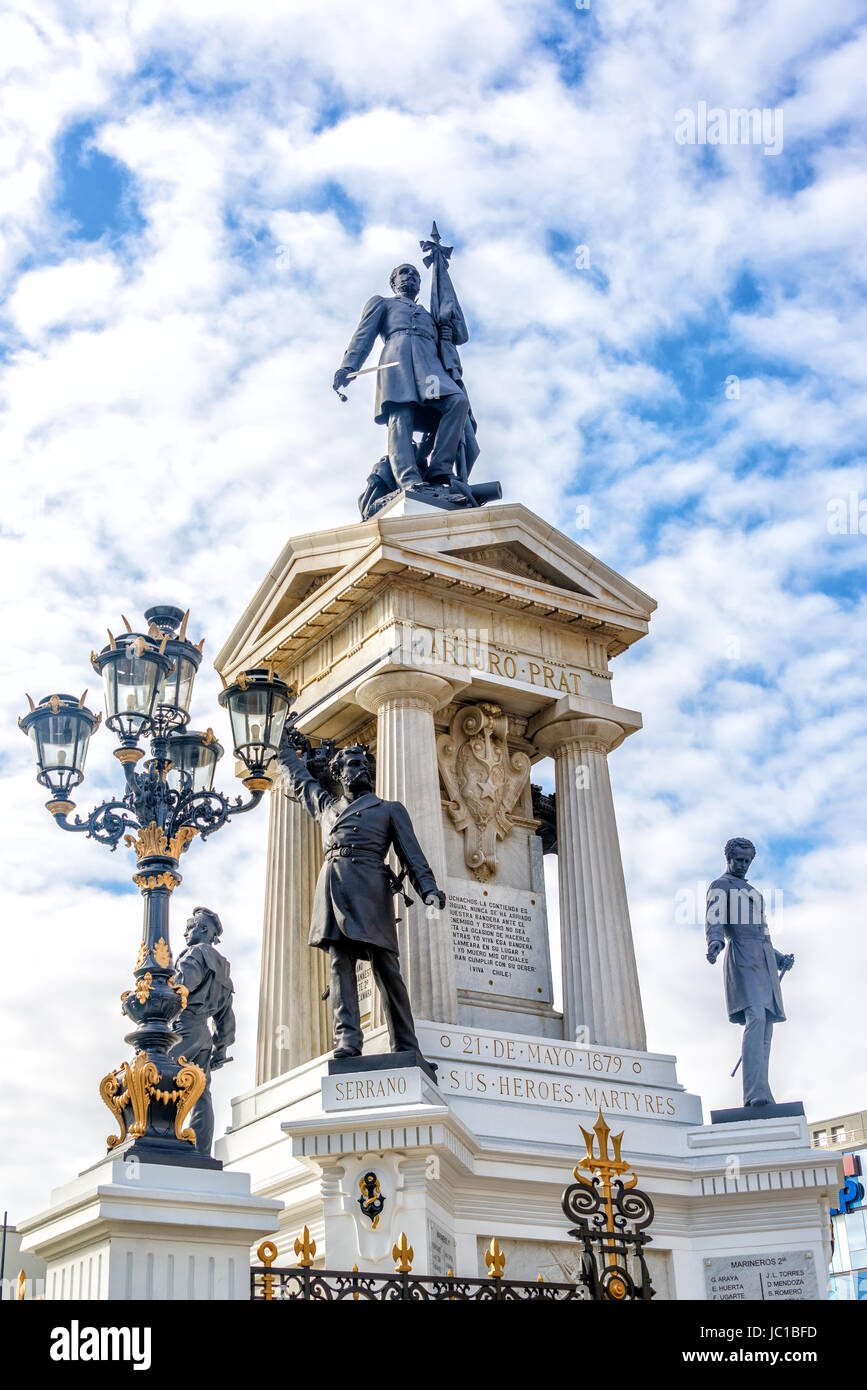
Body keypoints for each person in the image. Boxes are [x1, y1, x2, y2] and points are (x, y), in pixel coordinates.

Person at [277, 736, 446, 1060]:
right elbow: (299, 779)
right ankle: (348, 1040)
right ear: (339, 773)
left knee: (386, 967)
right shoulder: (326, 807)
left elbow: (411, 854)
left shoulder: (388, 809)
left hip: (370, 889)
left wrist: (428, 889)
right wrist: (279, 744)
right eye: (354, 765)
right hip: (334, 887)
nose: (362, 770)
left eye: (364, 764)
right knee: (339, 963)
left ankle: (406, 1046)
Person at [333, 263, 470, 491]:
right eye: (404, 273)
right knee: (401, 416)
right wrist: (348, 366)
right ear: (393, 282)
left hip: (430, 368)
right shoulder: (383, 303)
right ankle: (408, 479)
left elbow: (461, 335)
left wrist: (446, 332)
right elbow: (363, 335)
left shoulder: (432, 315)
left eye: (415, 274)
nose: (411, 277)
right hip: (398, 361)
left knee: (457, 402)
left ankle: (439, 470)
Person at [706, 838, 794, 1107]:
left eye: (747, 861)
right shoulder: (721, 885)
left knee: (766, 1025)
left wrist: (779, 958)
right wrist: (714, 942)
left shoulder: (753, 892)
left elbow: (761, 932)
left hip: (764, 960)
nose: (743, 865)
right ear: (728, 858)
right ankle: (753, 1093)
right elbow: (714, 918)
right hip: (742, 957)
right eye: (738, 860)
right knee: (755, 1017)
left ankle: (762, 1091)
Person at [169, 906, 235, 1154]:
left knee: (158, 1077)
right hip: (204, 1036)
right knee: (201, 1094)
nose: (185, 932)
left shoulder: (195, 955)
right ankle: (200, 1152)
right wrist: (221, 1048)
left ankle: (160, 1142)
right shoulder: (224, 968)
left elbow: (180, 988)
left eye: (190, 926)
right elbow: (226, 1016)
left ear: (203, 929)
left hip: (183, 1028)